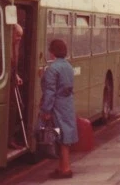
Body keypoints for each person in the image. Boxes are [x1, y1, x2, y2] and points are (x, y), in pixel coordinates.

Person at [40, 39, 78, 179]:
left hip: (57, 105)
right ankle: (62, 167)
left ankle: (65, 169)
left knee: (60, 137)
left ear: (52, 52)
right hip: (67, 103)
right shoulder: (68, 66)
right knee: (65, 135)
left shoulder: (52, 69)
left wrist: (46, 110)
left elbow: (50, 92)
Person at [8, 23, 24, 149]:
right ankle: (9, 139)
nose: (19, 38)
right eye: (17, 35)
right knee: (11, 110)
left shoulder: (15, 47)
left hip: (12, 81)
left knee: (15, 109)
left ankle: (11, 137)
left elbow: (13, 66)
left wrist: (16, 75)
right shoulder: (6, 46)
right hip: (7, 83)